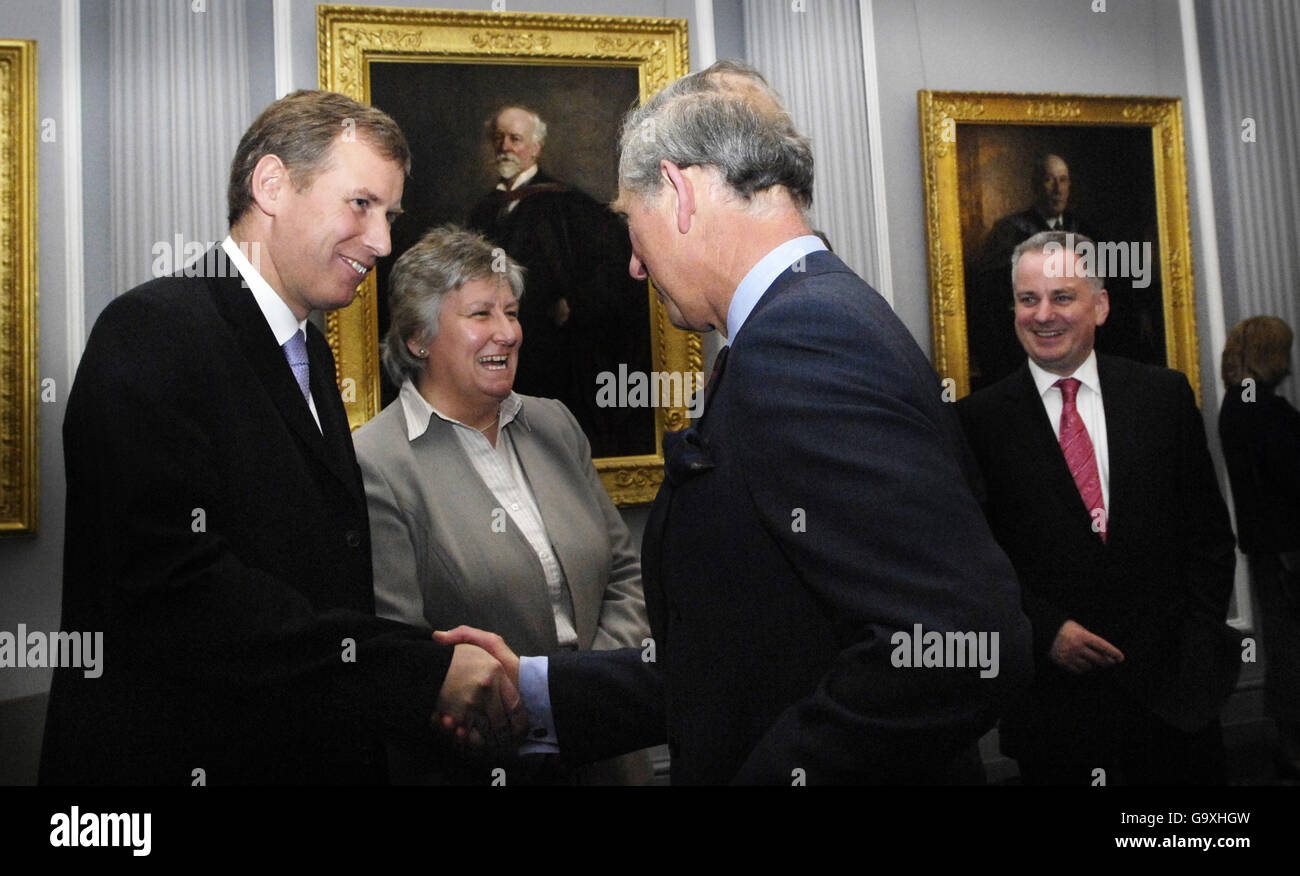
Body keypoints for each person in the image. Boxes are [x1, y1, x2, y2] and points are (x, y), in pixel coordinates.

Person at [444, 60, 1033, 785]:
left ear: (682, 193)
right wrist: (537, 693)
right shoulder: (802, 322)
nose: (632, 264)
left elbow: (964, 644)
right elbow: (760, 650)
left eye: (631, 222)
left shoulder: (806, 340)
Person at [39, 91, 523, 786]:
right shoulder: (151, 331)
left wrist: (412, 650)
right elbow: (181, 593)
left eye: (389, 215)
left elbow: (307, 582)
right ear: (271, 185)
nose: (383, 242)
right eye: (361, 205)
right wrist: (419, 671)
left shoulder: (310, 354)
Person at [353, 225, 652, 784]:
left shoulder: (554, 424)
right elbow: (402, 649)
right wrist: (527, 709)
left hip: (612, 755)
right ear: (419, 337)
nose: (508, 333)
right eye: (480, 314)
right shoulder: (376, 463)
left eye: (511, 312)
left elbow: (624, 574)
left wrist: (578, 694)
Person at [958, 230, 1239, 785]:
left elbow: (1208, 537)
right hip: (1057, 715)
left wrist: (1198, 652)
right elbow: (974, 562)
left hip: (1176, 709)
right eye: (1027, 299)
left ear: (1101, 305)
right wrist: (1046, 629)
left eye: (1062, 297)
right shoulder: (977, 423)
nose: (1043, 315)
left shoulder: (1163, 396)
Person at [467, 105, 654, 458]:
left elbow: (605, 270)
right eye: (500, 138)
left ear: (535, 148)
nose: (505, 146)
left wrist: (573, 302)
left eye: (515, 139)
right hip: (495, 346)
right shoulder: (485, 209)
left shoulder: (564, 204)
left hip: (551, 351)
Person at [1219, 315, 1300, 777]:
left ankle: (1290, 745)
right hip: (1289, 550)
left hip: (1271, 548)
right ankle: (1292, 747)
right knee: (1291, 651)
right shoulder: (1259, 406)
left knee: (1287, 648)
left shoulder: (1239, 402)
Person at [970, 154, 1094, 391]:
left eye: (1063, 180)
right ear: (1035, 186)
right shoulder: (1008, 232)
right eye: (1049, 180)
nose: (1057, 189)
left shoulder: (1084, 232)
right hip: (1021, 351)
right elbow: (990, 300)